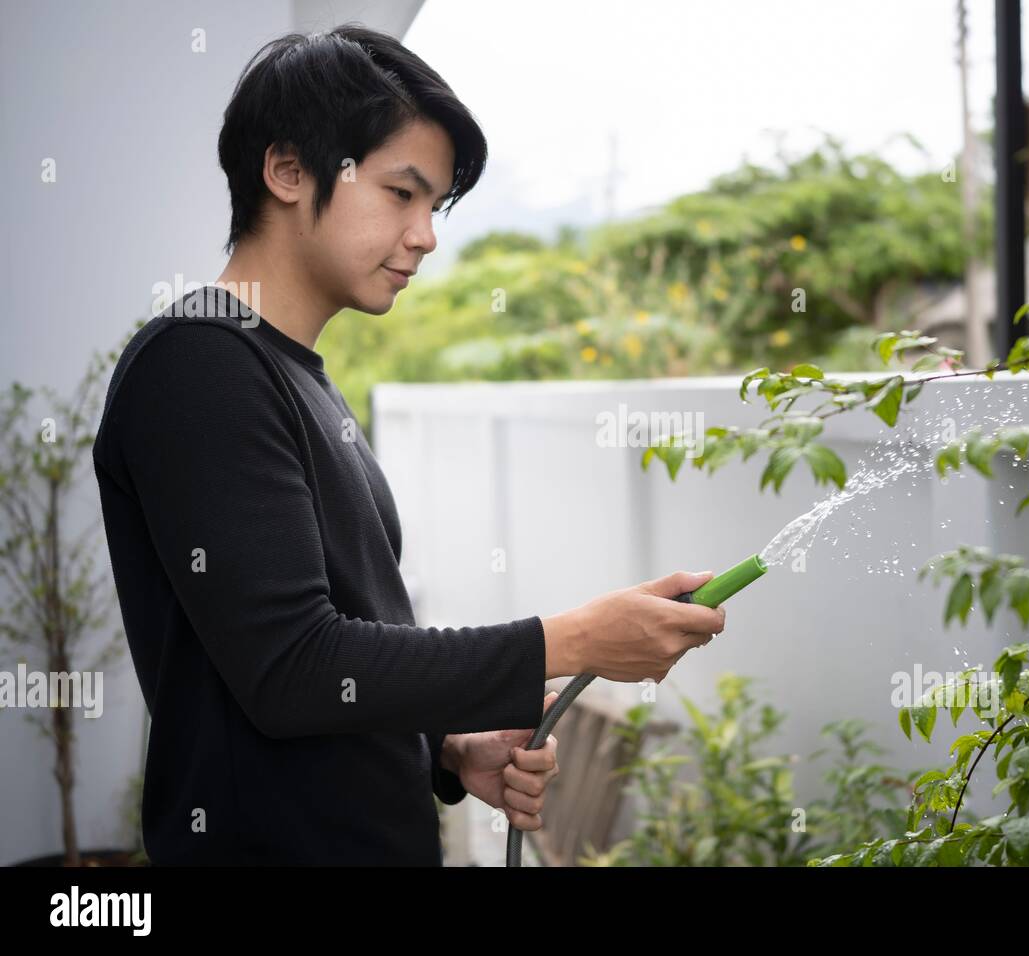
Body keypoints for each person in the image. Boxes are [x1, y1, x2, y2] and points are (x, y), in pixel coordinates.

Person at [91, 24, 725, 865]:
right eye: (401, 193)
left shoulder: (289, 372)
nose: (426, 234)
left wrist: (448, 752)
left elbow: (337, 655)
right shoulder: (199, 367)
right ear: (285, 170)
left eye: (434, 206)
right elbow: (291, 667)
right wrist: (571, 640)